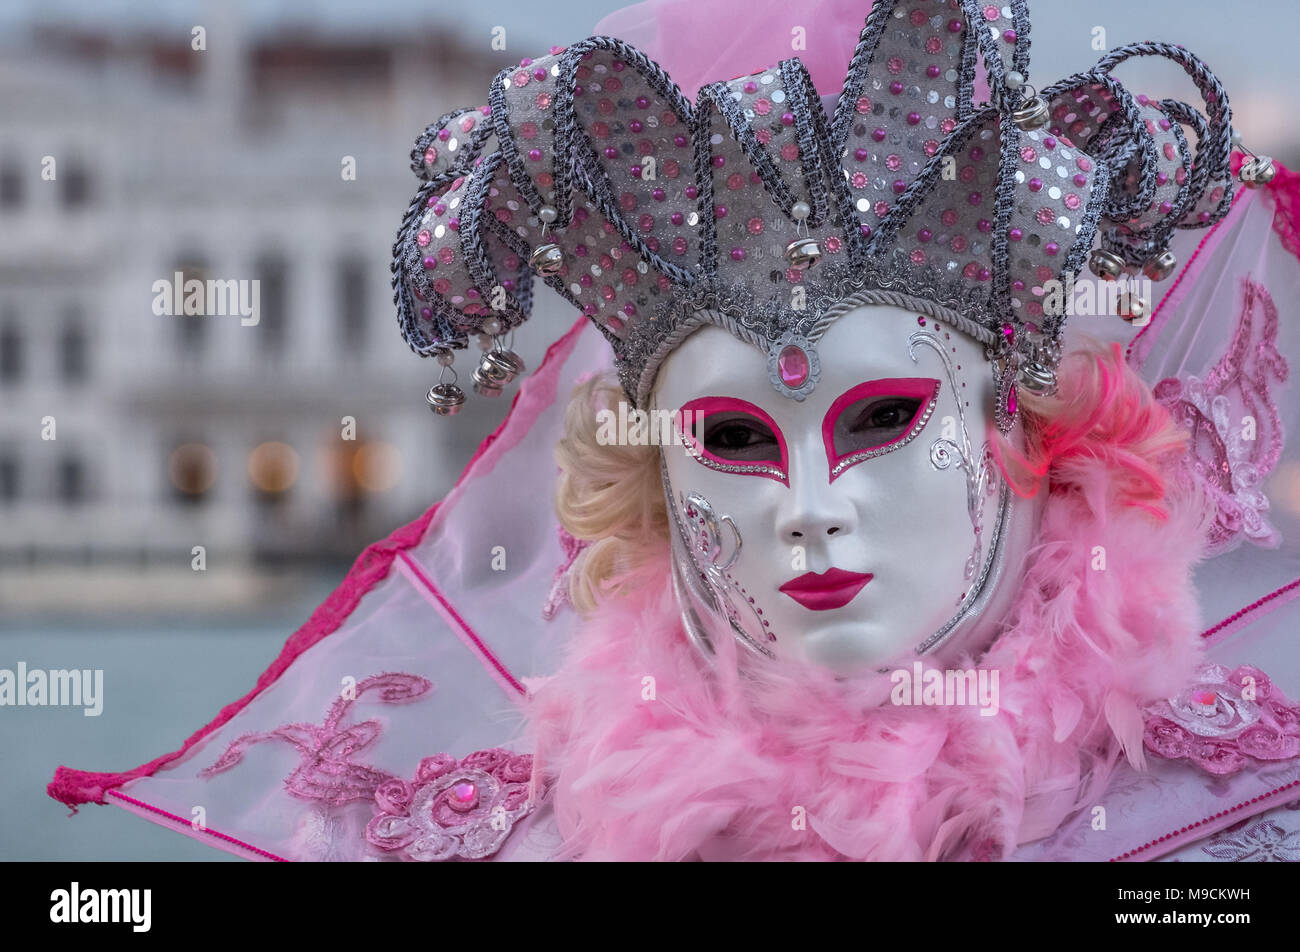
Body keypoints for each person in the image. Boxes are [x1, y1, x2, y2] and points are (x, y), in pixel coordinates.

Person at [50, 0, 1300, 862]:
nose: (808, 504)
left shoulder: (1220, 829)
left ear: (1015, 425)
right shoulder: (565, 830)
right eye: (736, 439)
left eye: (879, 416)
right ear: (652, 476)